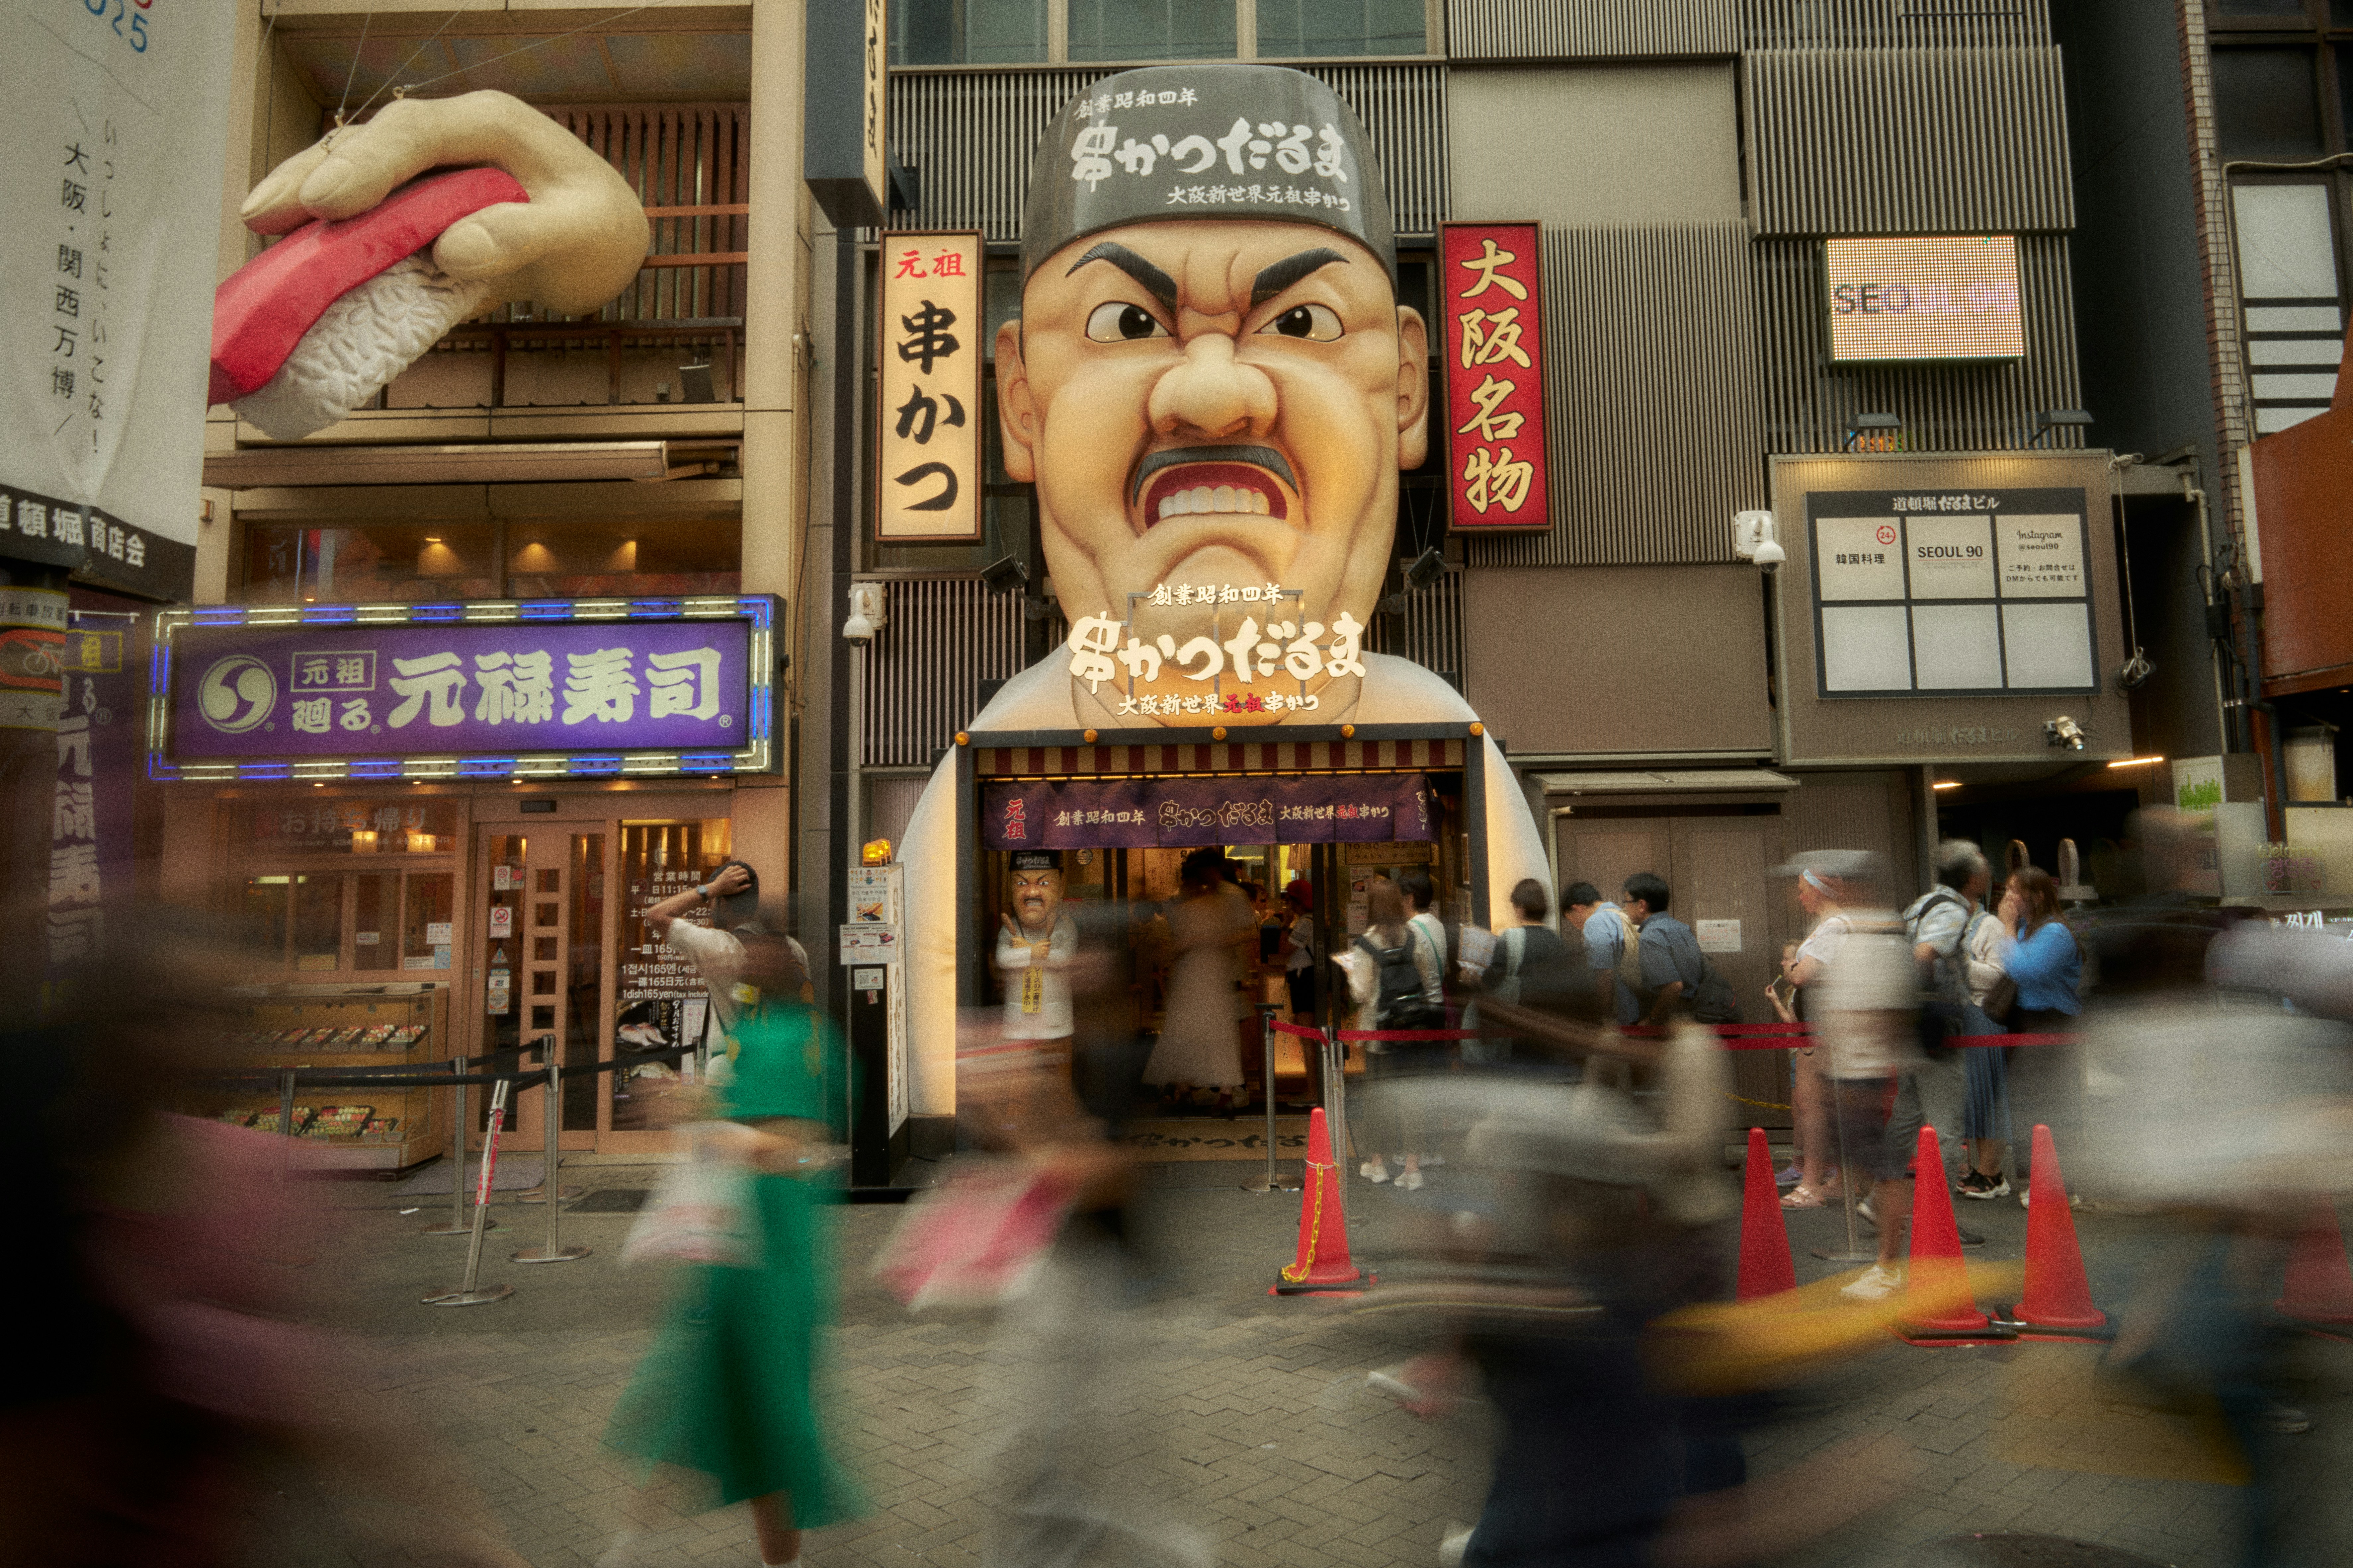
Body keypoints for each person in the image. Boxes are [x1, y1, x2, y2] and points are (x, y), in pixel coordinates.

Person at [601, 935, 861, 1568]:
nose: (749, 964)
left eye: (766, 955)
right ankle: (634, 1537)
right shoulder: (742, 1036)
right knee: (707, 1381)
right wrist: (694, 1110)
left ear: (796, 970)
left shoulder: (815, 1040)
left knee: (769, 1400)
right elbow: (731, 1119)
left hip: (780, 1250)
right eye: (748, 955)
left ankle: (776, 1555)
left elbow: (809, 1147)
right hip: (732, 1240)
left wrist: (725, 1129)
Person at [1773, 852, 1921, 1302]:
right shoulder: (1876, 929)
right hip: (1856, 1063)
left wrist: (1862, 1057)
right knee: (1875, 1164)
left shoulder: (1859, 931)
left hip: (1862, 1066)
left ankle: (1887, 1265)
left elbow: (1877, 1006)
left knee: (1883, 1167)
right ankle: (1883, 1253)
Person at [644, 860, 811, 1085]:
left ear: (722, 903)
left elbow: (656, 915)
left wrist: (710, 890)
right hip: (790, 1069)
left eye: (713, 902)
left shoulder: (719, 946)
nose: (710, 908)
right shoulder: (793, 949)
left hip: (735, 1074)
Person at [1894, 841, 1993, 1201]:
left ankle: (1881, 1200)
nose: (1988, 876)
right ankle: (1940, 1213)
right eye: (1984, 870)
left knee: (1906, 1115)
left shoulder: (1921, 903)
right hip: (1934, 1025)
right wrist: (1927, 995)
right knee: (1947, 1125)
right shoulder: (1951, 910)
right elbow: (1924, 952)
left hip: (1910, 1022)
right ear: (1971, 878)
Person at [1141, 848, 1257, 1115]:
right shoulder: (1199, 901)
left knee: (1193, 1033)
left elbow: (1247, 932)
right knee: (1210, 1035)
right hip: (1208, 974)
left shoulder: (1215, 899)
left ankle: (1199, 1093)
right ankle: (1207, 1093)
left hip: (1208, 975)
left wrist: (1199, 944)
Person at [1352, 876, 1445, 1190]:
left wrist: (1352, 973)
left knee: (1378, 1100)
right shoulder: (1413, 937)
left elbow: (1360, 992)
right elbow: (1428, 979)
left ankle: (1377, 1165)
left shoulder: (1366, 942)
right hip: (1411, 1028)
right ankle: (1412, 1168)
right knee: (1412, 1100)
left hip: (1378, 1034)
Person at [2000, 864, 2083, 1204]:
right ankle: (2036, 1180)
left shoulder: (2055, 933)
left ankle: (2059, 1184)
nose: (2006, 898)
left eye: (2014, 891)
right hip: (2023, 1022)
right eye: (2005, 890)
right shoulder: (2024, 929)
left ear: (2035, 896)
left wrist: (2005, 928)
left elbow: (2025, 970)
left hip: (2051, 1023)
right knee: (2026, 1104)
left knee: (2052, 1104)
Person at [1775, 867, 1851, 1211]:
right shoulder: (1830, 925)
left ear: (1819, 891)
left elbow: (1804, 975)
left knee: (1813, 1107)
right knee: (1826, 1106)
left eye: (1802, 889)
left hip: (1823, 1028)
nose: (1799, 895)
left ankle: (1812, 1183)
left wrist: (1790, 965)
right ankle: (1838, 1180)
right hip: (1822, 1025)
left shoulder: (1834, 926)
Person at [1459, 878, 1587, 1067]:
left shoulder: (1509, 941)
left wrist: (1471, 978)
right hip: (1551, 1035)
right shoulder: (1559, 944)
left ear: (1520, 907)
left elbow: (1490, 983)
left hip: (1516, 1031)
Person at [1623, 873, 1737, 1026]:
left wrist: (1653, 1021)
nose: (1625, 908)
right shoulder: (1681, 928)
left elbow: (1674, 987)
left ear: (1642, 906)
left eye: (1627, 902)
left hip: (1679, 1018)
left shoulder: (1651, 936)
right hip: (1703, 1015)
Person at [995, 851, 1079, 1060]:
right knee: (1020, 1079)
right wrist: (1032, 952)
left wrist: (1031, 953)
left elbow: (1066, 959)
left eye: (1044, 884)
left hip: (1056, 1022)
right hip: (1019, 1024)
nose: (1032, 893)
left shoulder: (1066, 926)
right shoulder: (1010, 929)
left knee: (1057, 1077)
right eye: (1022, 884)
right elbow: (1003, 958)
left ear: (1061, 887)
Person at [1563, 881, 1639, 1025]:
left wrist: (1602, 1015)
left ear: (1577, 909)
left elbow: (1604, 974)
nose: (1576, 926)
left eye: (1571, 920)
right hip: (1641, 1003)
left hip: (1621, 1010)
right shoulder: (1621, 914)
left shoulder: (1595, 923)